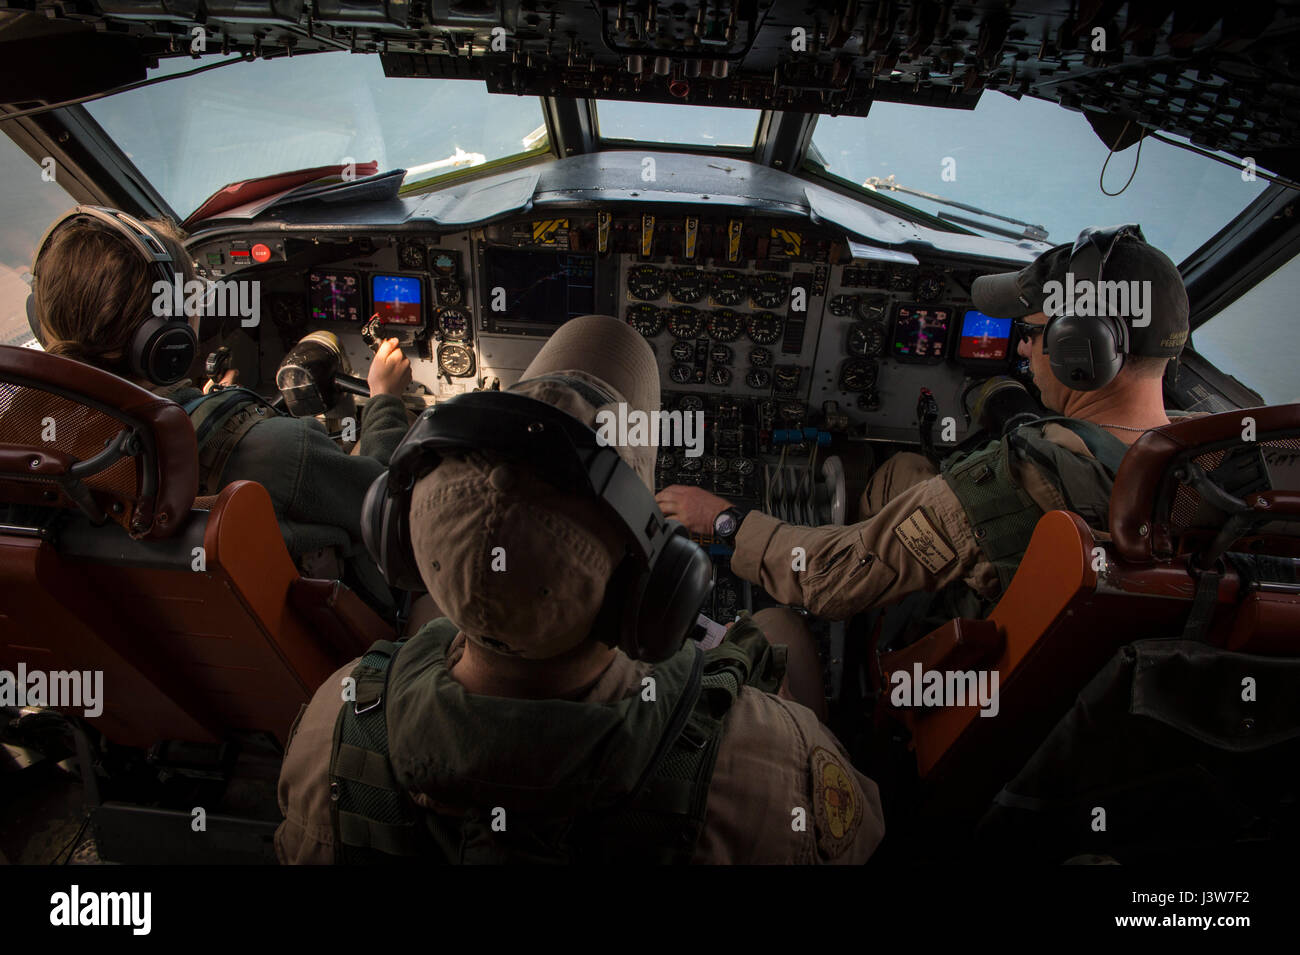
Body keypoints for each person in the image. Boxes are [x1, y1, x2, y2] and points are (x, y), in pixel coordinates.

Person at [275, 314, 885, 864]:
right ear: (651, 590)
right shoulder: (772, 766)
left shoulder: (334, 725)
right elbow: (864, 839)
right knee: (781, 628)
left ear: (400, 538)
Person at [658, 225, 1190, 627]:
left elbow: (822, 578)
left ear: (1081, 349)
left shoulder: (1013, 480)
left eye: (1030, 334)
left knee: (771, 625)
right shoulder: (1214, 459)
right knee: (905, 470)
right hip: (1079, 645)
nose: (1022, 351)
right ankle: (873, 536)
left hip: (974, 638)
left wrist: (724, 519)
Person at [27, 206, 412, 613]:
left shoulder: (35, 452)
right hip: (353, 638)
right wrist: (385, 398)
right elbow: (391, 506)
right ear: (167, 341)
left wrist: (203, 409)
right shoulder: (282, 453)